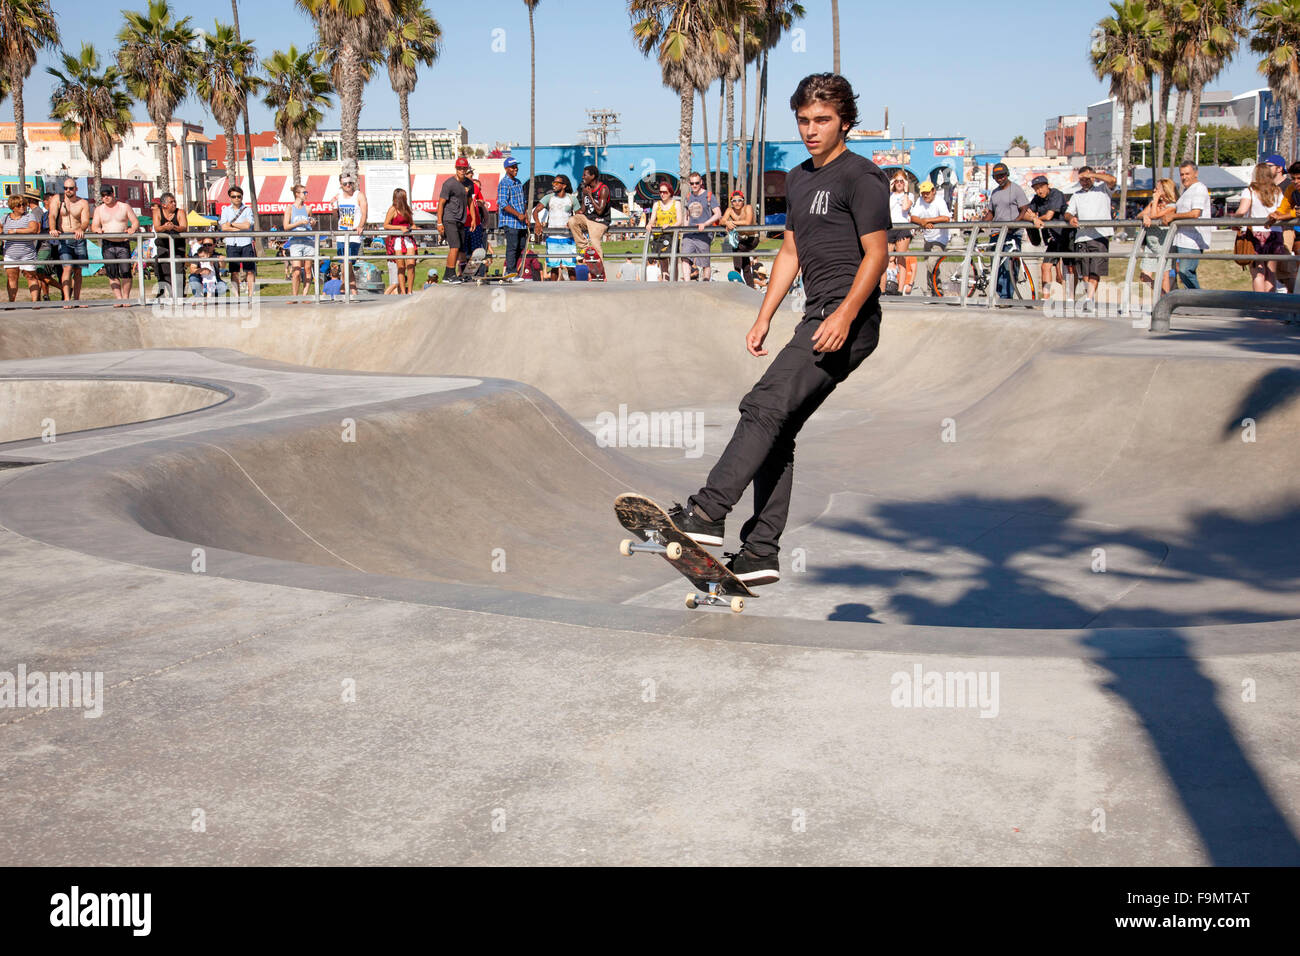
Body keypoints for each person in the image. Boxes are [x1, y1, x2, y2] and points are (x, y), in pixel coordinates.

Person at [666, 72, 889, 586]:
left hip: (848, 320)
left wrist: (844, 315)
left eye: (822, 120)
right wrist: (765, 314)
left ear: (845, 123)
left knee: (762, 406)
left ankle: (705, 514)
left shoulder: (862, 177)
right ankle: (760, 550)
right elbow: (789, 250)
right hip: (816, 314)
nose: (811, 130)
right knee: (779, 428)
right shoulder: (798, 177)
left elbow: (876, 255)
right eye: (804, 121)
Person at [1063, 166, 1117, 308]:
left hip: (1100, 234)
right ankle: (1088, 296)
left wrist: (1092, 174)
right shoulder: (1076, 195)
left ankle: (1089, 298)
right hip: (1082, 236)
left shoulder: (1103, 189)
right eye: (1081, 179)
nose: (1084, 182)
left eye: (1087, 179)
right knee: (1084, 270)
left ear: (1092, 177)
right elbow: (1068, 212)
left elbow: (1112, 180)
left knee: (1095, 269)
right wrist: (1070, 218)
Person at [1160, 161, 1213, 290]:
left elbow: (1195, 213)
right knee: (1181, 272)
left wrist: (1173, 216)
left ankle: (1198, 299)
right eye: (1182, 174)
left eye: (1187, 174)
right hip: (1182, 239)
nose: (1184, 177)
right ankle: (1191, 300)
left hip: (1193, 239)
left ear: (1196, 173)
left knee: (1185, 271)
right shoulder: (1187, 191)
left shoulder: (1199, 188)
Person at [1234, 162, 1284, 293]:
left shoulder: (1250, 191)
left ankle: (1260, 305)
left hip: (1256, 234)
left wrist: (1234, 221)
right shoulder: (1277, 191)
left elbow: (1242, 210)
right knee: (1271, 273)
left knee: (1258, 273)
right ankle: (1270, 305)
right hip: (1275, 233)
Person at [981, 162, 1029, 299]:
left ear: (1007, 175)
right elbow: (991, 212)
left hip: (1012, 233)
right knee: (996, 265)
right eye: (997, 177)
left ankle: (1006, 296)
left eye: (1002, 175)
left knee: (1009, 265)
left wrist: (1016, 222)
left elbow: (1024, 208)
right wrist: (982, 223)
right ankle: (998, 293)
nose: (1000, 178)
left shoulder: (1016, 189)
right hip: (996, 232)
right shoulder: (995, 193)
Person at [90, 184, 139, 307]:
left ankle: (126, 298)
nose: (106, 197)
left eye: (108, 194)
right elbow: (94, 225)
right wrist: (97, 230)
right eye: (103, 195)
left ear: (113, 194)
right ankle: (119, 298)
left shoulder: (124, 207)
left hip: (123, 243)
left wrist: (132, 229)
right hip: (108, 243)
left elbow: (135, 222)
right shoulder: (99, 209)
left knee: (126, 271)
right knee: (112, 273)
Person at [1025, 175, 1072, 295]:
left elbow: (1048, 216)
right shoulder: (1036, 198)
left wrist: (1035, 218)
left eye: (1041, 187)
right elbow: (1027, 211)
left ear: (1047, 185)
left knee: (1070, 269)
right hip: (1053, 238)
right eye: (1036, 188)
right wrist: (1033, 218)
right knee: (1045, 266)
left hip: (1065, 235)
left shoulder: (1056, 194)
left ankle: (1071, 296)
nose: (1039, 191)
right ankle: (1046, 297)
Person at [49, 176, 90, 307]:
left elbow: (85, 221)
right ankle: (66, 299)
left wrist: (80, 229)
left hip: (78, 238)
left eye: (71, 188)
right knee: (67, 268)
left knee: (78, 271)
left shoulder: (82, 203)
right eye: (65, 188)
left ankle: (77, 299)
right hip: (64, 237)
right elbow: (52, 215)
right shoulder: (57, 199)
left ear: (76, 189)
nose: (68, 191)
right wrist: (52, 228)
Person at [531, 174, 579, 280]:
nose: (554, 185)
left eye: (557, 183)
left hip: (568, 238)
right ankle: (553, 290)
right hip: (553, 238)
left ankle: (575, 288)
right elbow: (536, 211)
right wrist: (538, 223)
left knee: (570, 267)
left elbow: (579, 215)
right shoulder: (549, 198)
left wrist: (573, 222)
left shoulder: (572, 199)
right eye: (553, 183)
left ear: (564, 185)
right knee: (554, 267)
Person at [1136, 178, 1177, 293]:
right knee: (1144, 276)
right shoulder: (1154, 203)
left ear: (1165, 190)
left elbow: (1154, 215)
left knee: (1164, 276)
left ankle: (1165, 301)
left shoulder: (1172, 206)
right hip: (1151, 245)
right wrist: (1145, 216)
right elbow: (1139, 215)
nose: (1154, 190)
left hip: (1164, 243)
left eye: (1157, 188)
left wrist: (1154, 201)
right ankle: (1163, 295)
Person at [908, 179, 951, 289]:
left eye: (927, 192)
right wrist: (922, 222)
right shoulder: (920, 201)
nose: (925, 195)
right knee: (929, 264)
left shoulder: (939, 201)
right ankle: (932, 289)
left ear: (933, 191)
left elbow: (946, 218)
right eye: (923, 193)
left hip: (940, 238)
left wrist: (928, 220)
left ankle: (938, 286)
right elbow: (913, 217)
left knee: (932, 262)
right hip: (928, 238)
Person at [679, 172, 721, 282]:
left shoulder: (709, 196)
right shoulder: (688, 196)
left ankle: (705, 284)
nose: (694, 185)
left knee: (705, 263)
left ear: (701, 182)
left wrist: (705, 224)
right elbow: (687, 215)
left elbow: (718, 214)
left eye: (697, 183)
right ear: (689, 183)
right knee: (685, 258)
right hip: (689, 234)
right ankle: (687, 284)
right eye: (692, 183)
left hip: (704, 234)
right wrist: (684, 228)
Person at [437, 157, 472, 281]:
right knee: (455, 246)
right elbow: (441, 203)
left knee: (461, 248)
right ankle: (451, 274)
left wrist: (472, 218)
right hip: (449, 218)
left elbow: (470, 202)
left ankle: (448, 275)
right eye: (459, 168)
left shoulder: (469, 183)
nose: (462, 170)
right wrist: (439, 222)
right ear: (456, 169)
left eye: (464, 168)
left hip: (461, 220)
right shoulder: (449, 184)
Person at [219, 185, 256, 299]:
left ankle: (250, 296)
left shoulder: (247, 209)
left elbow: (247, 225)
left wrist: (232, 224)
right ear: (230, 198)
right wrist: (239, 227)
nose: (236, 199)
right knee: (234, 272)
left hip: (246, 243)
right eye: (234, 196)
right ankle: (236, 297)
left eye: (239, 196)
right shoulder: (225, 210)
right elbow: (224, 227)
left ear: (242, 197)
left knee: (249, 270)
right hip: (232, 243)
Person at [2, 193, 41, 304]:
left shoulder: (29, 216)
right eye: (19, 205)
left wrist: (15, 231)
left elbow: (33, 229)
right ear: (13, 207)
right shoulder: (5, 218)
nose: (22, 207)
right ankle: (11, 302)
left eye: (24, 204)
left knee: (31, 276)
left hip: (27, 253)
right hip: (10, 253)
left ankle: (35, 303)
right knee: (12, 277)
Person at [568, 164, 612, 260]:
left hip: (600, 221)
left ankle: (599, 267)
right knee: (572, 221)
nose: (582, 177)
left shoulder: (603, 189)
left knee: (595, 242)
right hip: (588, 218)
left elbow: (600, 211)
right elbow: (583, 209)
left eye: (585, 175)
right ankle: (584, 247)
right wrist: (576, 217)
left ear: (592, 176)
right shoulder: (586, 188)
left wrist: (590, 195)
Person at [283, 184, 317, 301]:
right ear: (297, 194)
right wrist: (299, 223)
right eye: (304, 192)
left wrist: (312, 222)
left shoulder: (308, 209)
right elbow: (286, 226)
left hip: (308, 240)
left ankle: (305, 296)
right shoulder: (290, 208)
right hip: (295, 241)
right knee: (296, 270)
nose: (306, 195)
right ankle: (294, 296)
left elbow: (310, 222)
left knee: (308, 269)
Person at [150, 191, 186, 299]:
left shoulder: (180, 212)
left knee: (178, 270)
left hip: (178, 246)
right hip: (163, 246)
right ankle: (169, 294)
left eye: (174, 201)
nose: (174, 204)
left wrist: (174, 227)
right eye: (171, 202)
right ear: (164, 205)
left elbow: (184, 227)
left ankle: (179, 296)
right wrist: (165, 227)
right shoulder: (157, 212)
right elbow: (157, 228)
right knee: (164, 270)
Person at [497, 157, 528, 276]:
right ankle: (510, 271)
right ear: (506, 169)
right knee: (512, 247)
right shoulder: (504, 183)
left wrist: (525, 215)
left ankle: (513, 269)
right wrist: (518, 214)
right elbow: (503, 203)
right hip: (510, 221)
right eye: (513, 167)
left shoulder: (518, 182)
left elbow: (523, 201)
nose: (516, 169)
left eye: (516, 166)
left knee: (521, 246)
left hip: (520, 222)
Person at [645, 180, 683, 280]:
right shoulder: (656, 204)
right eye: (660, 192)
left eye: (665, 192)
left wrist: (671, 226)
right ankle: (665, 282)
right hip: (659, 236)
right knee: (662, 261)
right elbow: (652, 219)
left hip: (672, 235)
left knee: (673, 260)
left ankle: (674, 282)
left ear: (670, 192)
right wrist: (649, 224)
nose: (662, 194)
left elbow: (679, 220)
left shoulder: (676, 204)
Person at [885, 171, 915, 294]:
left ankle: (899, 288)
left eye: (901, 181)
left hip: (902, 227)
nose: (899, 183)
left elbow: (905, 207)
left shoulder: (909, 195)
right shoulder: (890, 195)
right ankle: (883, 288)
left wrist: (906, 191)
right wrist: (888, 187)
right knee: (885, 257)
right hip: (890, 227)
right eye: (896, 181)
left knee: (901, 258)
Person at [333, 171, 368, 277]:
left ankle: (347, 289)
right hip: (342, 235)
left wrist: (361, 225)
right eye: (345, 184)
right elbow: (336, 216)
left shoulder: (359, 195)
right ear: (341, 185)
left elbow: (364, 213)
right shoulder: (338, 196)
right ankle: (349, 290)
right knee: (344, 266)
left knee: (348, 265)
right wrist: (334, 208)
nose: (348, 185)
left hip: (353, 236)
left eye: (350, 183)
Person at [721, 190, 759, 285]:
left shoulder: (748, 208)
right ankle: (751, 286)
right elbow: (721, 221)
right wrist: (726, 223)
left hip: (752, 238)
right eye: (734, 201)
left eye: (739, 200)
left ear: (743, 201)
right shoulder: (730, 210)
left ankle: (737, 272)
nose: (737, 203)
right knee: (745, 265)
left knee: (737, 248)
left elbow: (747, 222)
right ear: (731, 202)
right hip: (741, 239)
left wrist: (731, 223)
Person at [384, 187, 417, 294]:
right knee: (401, 266)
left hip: (408, 239)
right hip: (397, 240)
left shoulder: (406, 208)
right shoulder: (393, 209)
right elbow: (386, 225)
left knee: (411, 265)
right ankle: (403, 291)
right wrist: (399, 228)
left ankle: (410, 291)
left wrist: (414, 227)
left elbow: (412, 223)